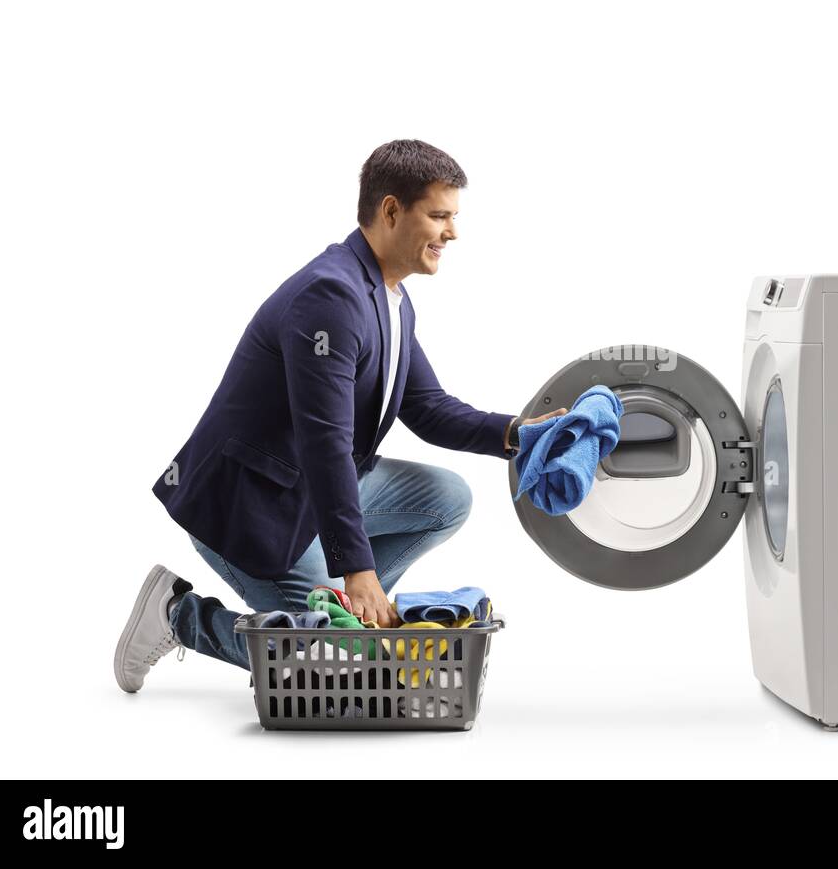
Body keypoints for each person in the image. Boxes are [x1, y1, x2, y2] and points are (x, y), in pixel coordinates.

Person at [114, 139, 565, 691]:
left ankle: (339, 610)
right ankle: (179, 615)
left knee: (448, 498)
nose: (452, 233)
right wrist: (360, 569)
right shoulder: (331, 295)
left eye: (454, 216)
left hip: (308, 497)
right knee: (333, 670)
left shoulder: (388, 294)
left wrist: (517, 434)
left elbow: (426, 407)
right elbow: (323, 441)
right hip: (248, 511)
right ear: (392, 210)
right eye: (440, 215)